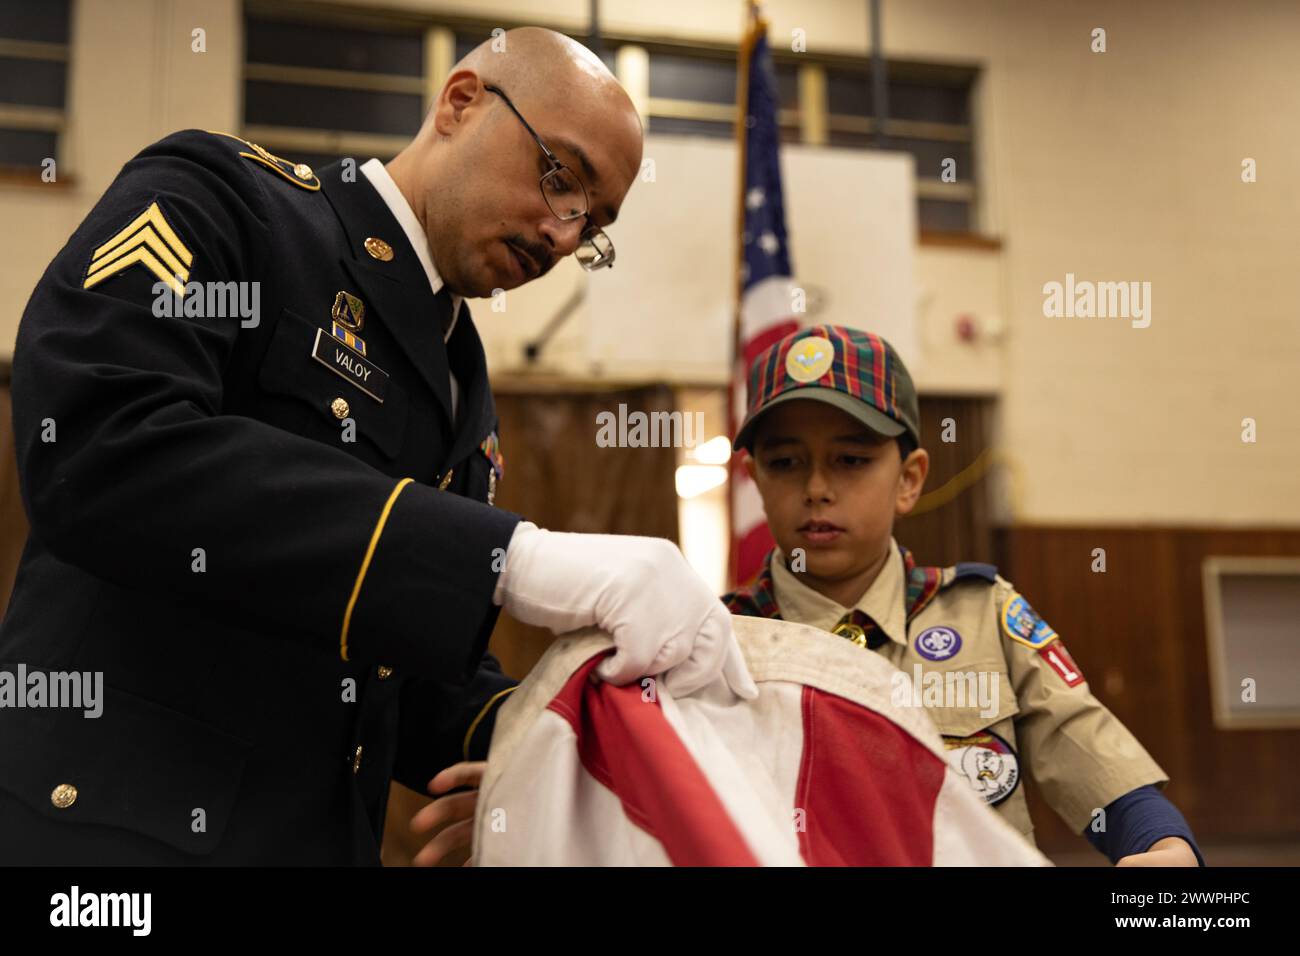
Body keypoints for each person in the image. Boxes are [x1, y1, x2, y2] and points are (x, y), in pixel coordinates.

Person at [0, 26, 752, 865]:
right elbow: (102, 449)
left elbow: (395, 664)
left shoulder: (462, 383)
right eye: (560, 176)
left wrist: (547, 748)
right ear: (459, 103)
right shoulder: (228, 206)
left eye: (593, 223)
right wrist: (514, 559)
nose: (563, 234)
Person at [722, 324, 1202, 866]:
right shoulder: (721, 644)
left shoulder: (985, 616)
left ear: (909, 479)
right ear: (752, 478)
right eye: (785, 463)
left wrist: (1162, 845)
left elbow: (1085, 747)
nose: (816, 489)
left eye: (851, 460)